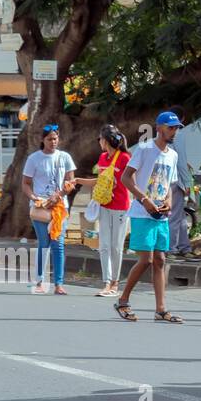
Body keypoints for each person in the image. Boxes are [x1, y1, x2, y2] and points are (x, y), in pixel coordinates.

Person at [114, 111, 185, 323]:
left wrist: (169, 202)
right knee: (146, 259)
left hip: (160, 214)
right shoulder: (145, 149)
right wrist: (144, 199)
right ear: (159, 127)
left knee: (160, 260)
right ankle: (123, 300)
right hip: (141, 212)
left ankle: (161, 309)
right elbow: (126, 177)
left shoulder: (172, 155)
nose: (174, 131)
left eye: (176, 128)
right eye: (170, 127)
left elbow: (170, 185)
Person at [73, 125, 132, 297]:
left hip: (121, 207)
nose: (99, 142)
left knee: (116, 247)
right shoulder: (103, 158)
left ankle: (114, 283)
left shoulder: (125, 158)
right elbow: (99, 181)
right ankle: (107, 282)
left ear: (105, 140)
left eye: (100, 138)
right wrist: (78, 180)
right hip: (105, 205)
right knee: (104, 245)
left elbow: (131, 182)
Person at [22, 123, 77, 295]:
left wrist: (58, 195)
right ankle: (40, 281)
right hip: (40, 208)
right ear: (42, 140)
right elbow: (26, 183)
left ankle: (58, 283)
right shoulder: (34, 159)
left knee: (58, 244)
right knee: (44, 243)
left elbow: (71, 182)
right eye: (49, 139)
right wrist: (34, 198)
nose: (53, 142)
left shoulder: (65, 157)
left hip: (60, 208)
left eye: (55, 138)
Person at [166, 104, 195, 259]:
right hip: (176, 180)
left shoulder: (161, 135)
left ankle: (184, 246)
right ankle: (170, 248)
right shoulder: (178, 133)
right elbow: (181, 161)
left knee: (180, 215)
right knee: (175, 215)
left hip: (165, 179)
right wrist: (188, 183)